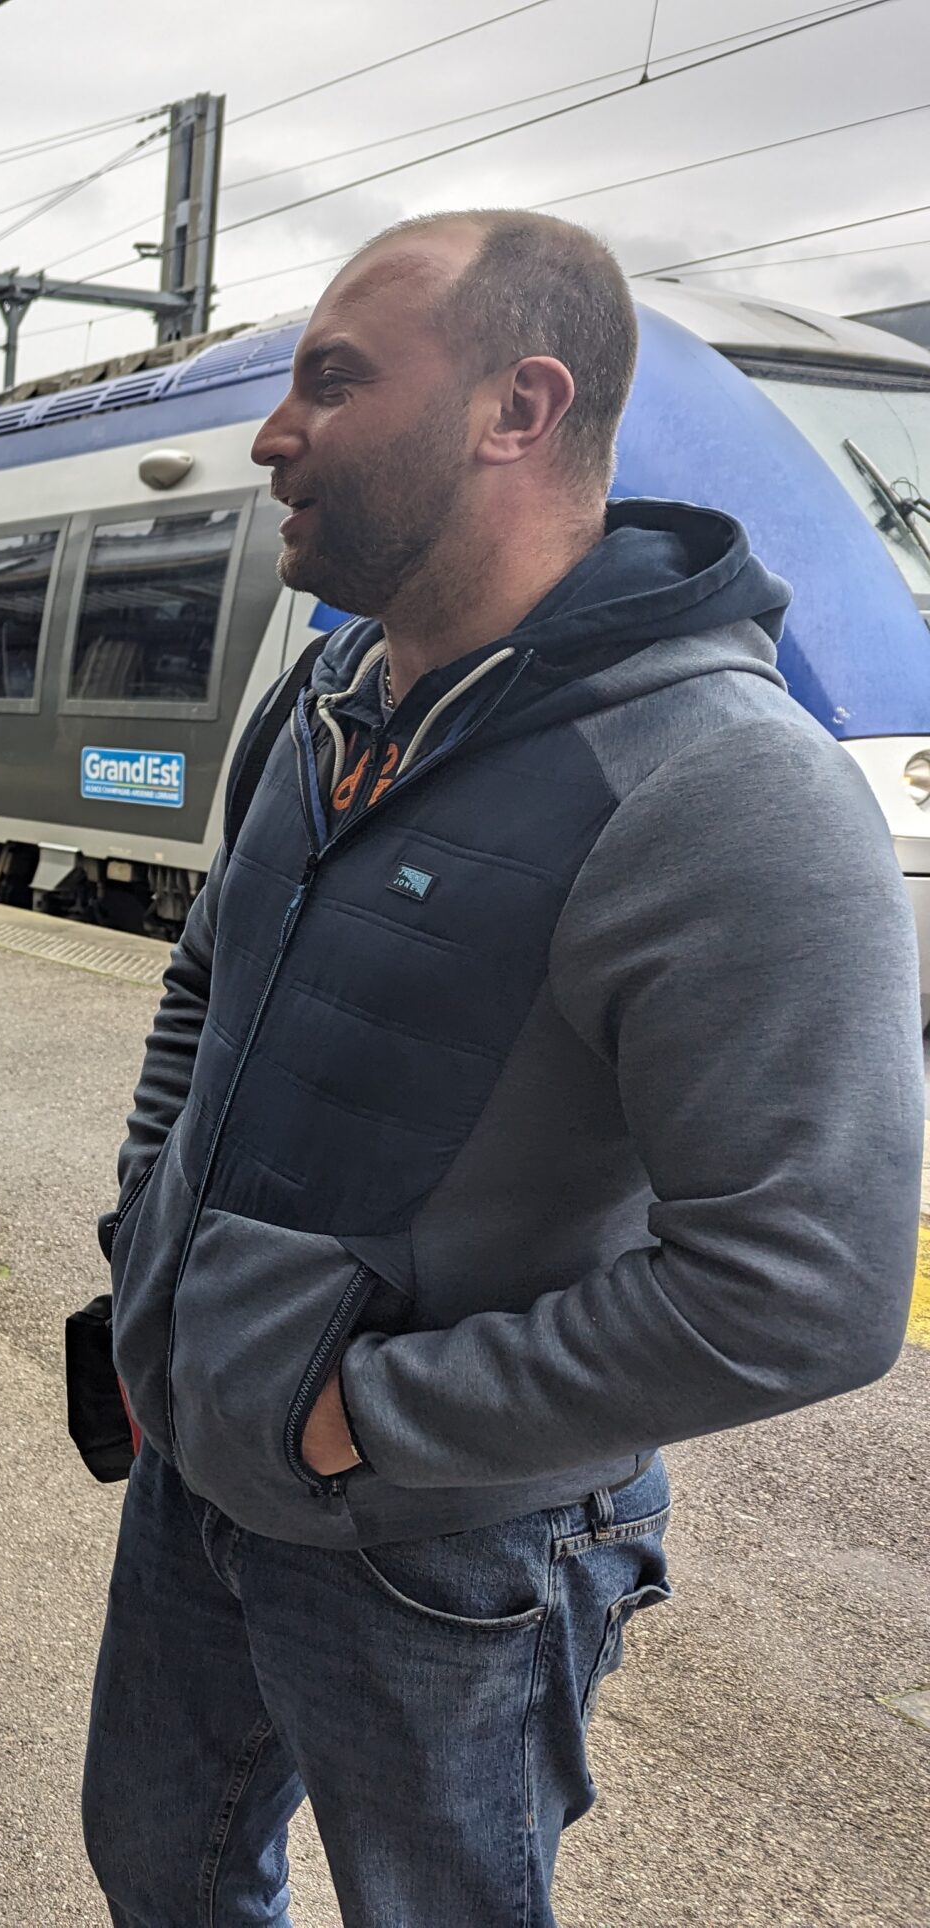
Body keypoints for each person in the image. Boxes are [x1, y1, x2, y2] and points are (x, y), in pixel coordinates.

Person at [82, 210, 919, 1926]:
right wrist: (143, 1259)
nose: (271, 431)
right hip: (200, 1465)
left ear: (516, 409)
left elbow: (809, 1290)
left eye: (330, 380)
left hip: (451, 1555)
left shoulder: (724, 789)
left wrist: (362, 1421)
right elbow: (201, 985)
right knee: (160, 1867)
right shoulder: (321, 706)